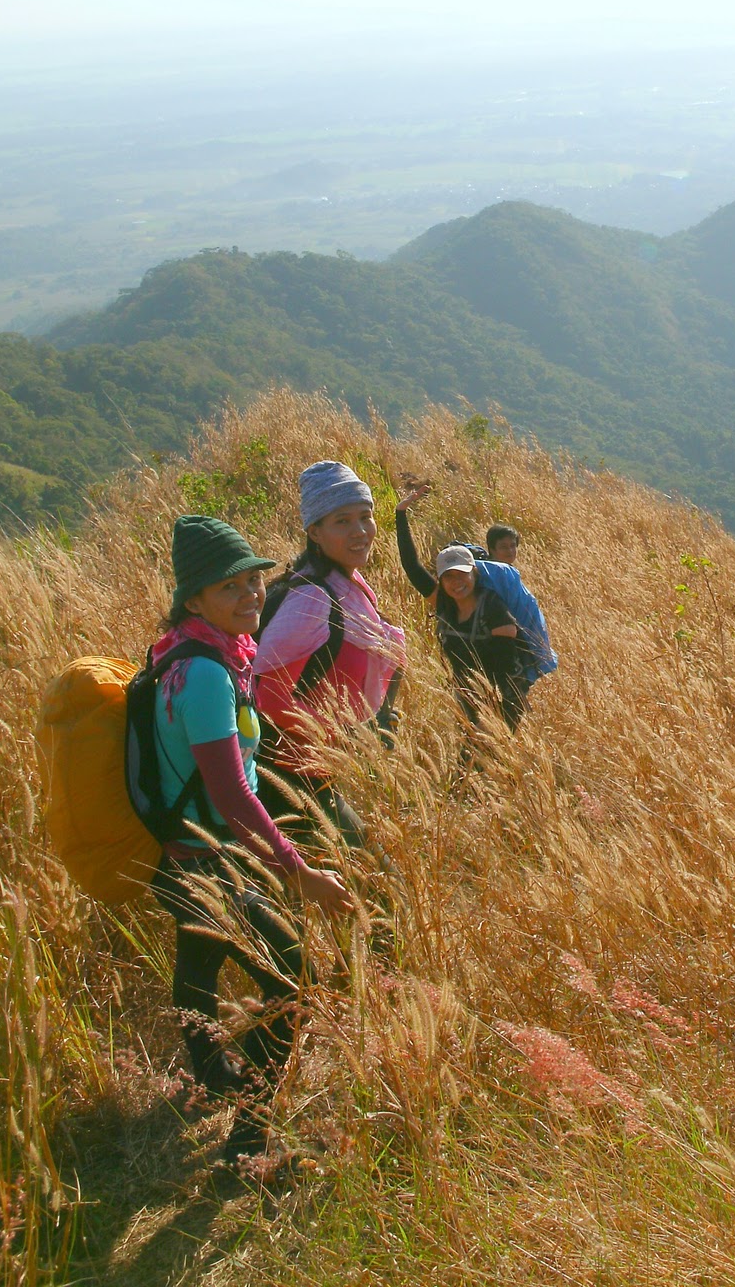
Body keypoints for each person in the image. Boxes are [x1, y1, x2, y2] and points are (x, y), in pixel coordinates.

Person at [150, 514, 352, 1169]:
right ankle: (248, 1138)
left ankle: (212, 1079)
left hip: (180, 857)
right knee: (295, 979)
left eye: (253, 580)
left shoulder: (180, 652)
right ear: (194, 600)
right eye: (229, 586)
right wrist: (300, 873)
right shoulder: (209, 674)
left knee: (198, 967)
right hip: (214, 861)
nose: (250, 595)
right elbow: (233, 795)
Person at [253, 461, 405, 859]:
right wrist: (340, 736)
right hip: (289, 776)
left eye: (365, 516)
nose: (360, 531)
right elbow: (269, 699)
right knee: (375, 879)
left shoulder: (350, 586)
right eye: (342, 521)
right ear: (315, 532)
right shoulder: (313, 599)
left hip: (317, 771)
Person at [395, 485, 557, 733]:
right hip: (468, 698)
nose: (456, 582)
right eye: (449, 577)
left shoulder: (493, 608)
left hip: (501, 701)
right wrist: (400, 514)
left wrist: (491, 716)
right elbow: (412, 566)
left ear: (475, 573)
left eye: (462, 574)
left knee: (486, 753)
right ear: (441, 580)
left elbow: (506, 668)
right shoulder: (443, 603)